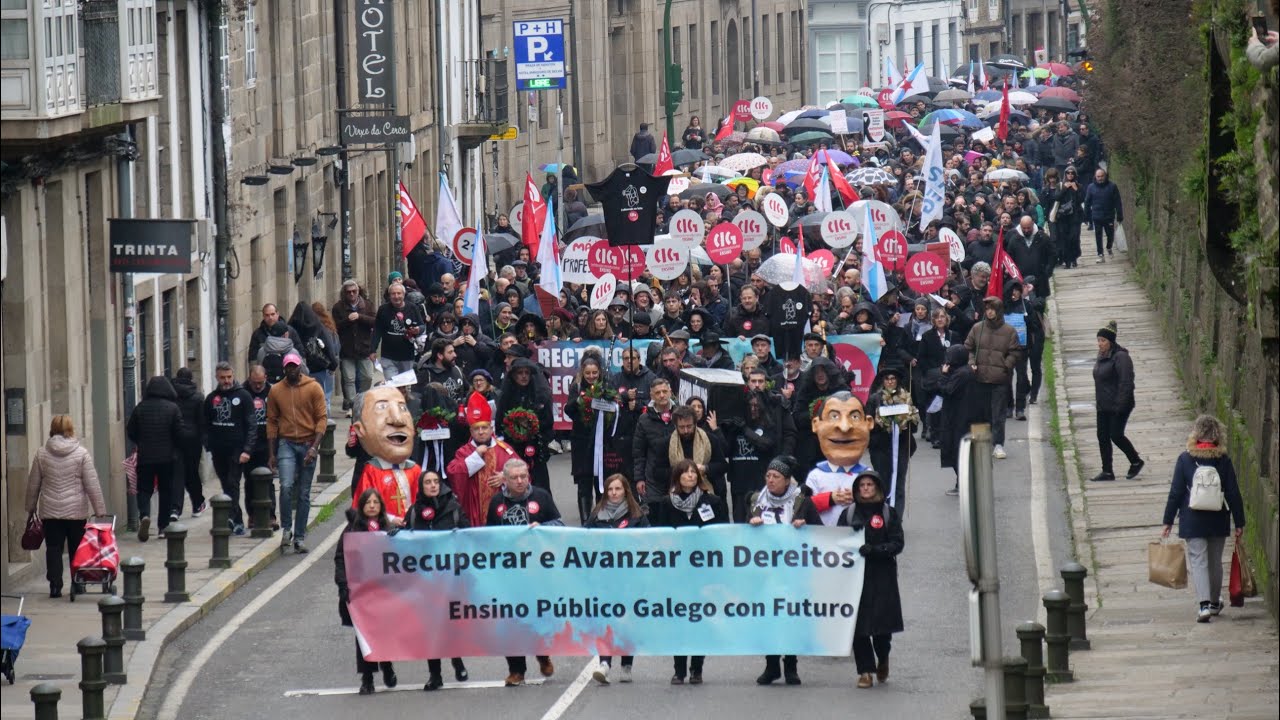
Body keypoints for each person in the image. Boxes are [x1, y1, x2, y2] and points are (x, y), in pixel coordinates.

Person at [1161, 415, 1247, 622]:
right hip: (1218, 518)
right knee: (1215, 563)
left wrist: (1168, 520)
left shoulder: (1185, 459)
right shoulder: (1223, 460)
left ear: (1196, 434)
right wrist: (1239, 521)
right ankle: (1215, 602)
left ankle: (1203, 605)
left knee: (1198, 561)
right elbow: (1233, 493)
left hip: (1192, 519)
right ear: (1218, 434)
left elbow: (1176, 492)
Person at [650, 459, 728, 684]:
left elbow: (723, 532)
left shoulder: (712, 502)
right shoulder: (666, 504)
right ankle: (679, 669)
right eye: (686, 473)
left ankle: (697, 668)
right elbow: (660, 536)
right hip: (677, 572)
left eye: (694, 472)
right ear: (678, 477)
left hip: (703, 572)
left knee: (699, 620)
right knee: (679, 621)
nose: (691, 476)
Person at [486, 459, 562, 686]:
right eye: (514, 478)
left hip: (537, 572)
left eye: (523, 476)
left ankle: (542, 654)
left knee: (537, 617)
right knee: (511, 620)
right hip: (509, 573)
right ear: (505, 480)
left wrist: (543, 529)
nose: (519, 481)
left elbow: (560, 524)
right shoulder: (497, 502)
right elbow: (489, 536)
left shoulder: (541, 496)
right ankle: (516, 669)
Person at [747, 455, 821, 686]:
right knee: (768, 618)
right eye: (768, 476)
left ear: (788, 481)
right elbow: (742, 535)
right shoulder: (755, 501)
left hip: (792, 571)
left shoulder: (802, 502)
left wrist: (804, 527)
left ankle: (791, 666)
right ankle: (771, 666)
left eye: (776, 477)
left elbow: (820, 533)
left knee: (790, 618)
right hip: (765, 571)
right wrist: (752, 522)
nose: (770, 480)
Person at [24, 415, 107, 598]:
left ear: (52, 429)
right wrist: (100, 509)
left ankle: (55, 586)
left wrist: (30, 507)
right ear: (71, 429)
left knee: (53, 548)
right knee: (77, 548)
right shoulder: (81, 453)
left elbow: (33, 484)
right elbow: (91, 483)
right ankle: (78, 583)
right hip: (76, 511)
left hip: (51, 512)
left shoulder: (41, 454)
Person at [403, 470, 470, 688]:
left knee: (449, 625)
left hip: (450, 578)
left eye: (435, 482)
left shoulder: (453, 508)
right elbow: (405, 543)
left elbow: (468, 535)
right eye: (428, 482)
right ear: (421, 487)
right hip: (425, 581)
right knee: (430, 629)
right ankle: (435, 675)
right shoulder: (414, 512)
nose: (432, 486)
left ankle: (457, 660)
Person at [839, 470, 905, 689]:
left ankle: (883, 657)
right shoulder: (848, 514)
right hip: (855, 577)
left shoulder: (888, 513)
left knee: (881, 627)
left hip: (882, 576)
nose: (865, 489)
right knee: (858, 626)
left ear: (877, 488)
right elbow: (835, 543)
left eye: (869, 485)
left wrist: (876, 550)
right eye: (862, 485)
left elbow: (898, 543)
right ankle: (865, 671)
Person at [334, 488, 397, 695]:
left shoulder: (388, 529)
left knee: (385, 631)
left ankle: (387, 666)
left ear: (381, 507)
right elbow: (341, 558)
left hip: (383, 590)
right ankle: (367, 677)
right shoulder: (351, 530)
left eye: (376, 503)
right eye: (368, 502)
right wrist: (343, 585)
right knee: (363, 635)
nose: (372, 506)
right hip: (360, 591)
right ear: (362, 506)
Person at [588, 474, 649, 685]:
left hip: (630, 579)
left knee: (627, 622)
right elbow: (581, 541)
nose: (614, 493)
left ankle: (626, 664)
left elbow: (649, 541)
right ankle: (604, 663)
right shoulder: (596, 515)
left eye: (618, 489)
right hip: (604, 578)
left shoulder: (637, 515)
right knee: (606, 621)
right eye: (610, 489)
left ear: (625, 491)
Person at [267, 352, 328, 553]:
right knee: (285, 486)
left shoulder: (313, 388)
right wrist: (272, 453)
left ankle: (300, 536)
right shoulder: (276, 391)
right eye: (288, 367)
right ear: (284, 369)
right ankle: (286, 529)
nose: (292, 370)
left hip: (308, 442)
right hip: (287, 444)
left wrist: (314, 447)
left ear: (300, 367)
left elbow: (322, 418)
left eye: (294, 366)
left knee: (303, 493)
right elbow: (272, 421)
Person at [350, 385, 421, 523]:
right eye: (382, 407)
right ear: (360, 429)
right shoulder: (372, 471)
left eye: (402, 408)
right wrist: (391, 520)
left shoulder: (415, 470)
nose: (398, 420)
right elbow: (364, 511)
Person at [963, 296, 1023, 460]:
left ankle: (998, 444)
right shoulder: (977, 328)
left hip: (999, 379)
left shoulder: (1009, 331)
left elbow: (1015, 352)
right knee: (980, 413)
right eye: (987, 309)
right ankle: (981, 443)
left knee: (998, 414)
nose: (989, 312)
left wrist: (1006, 365)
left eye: (992, 309)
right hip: (979, 377)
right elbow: (968, 348)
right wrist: (971, 362)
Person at [448, 392, 519, 527]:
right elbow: (454, 473)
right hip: (474, 513)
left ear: (491, 428)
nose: (481, 432)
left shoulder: (504, 449)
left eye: (484, 427)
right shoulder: (465, 451)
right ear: (471, 431)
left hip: (503, 511)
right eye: (476, 428)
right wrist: (476, 456)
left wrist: (506, 477)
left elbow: (522, 471)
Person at [804, 391, 875, 526]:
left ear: (869, 423)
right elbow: (804, 507)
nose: (844, 427)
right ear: (816, 424)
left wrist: (860, 498)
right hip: (822, 538)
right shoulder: (816, 475)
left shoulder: (867, 475)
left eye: (854, 416)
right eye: (834, 416)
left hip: (855, 538)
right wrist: (830, 498)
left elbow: (876, 507)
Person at [127, 376, 185, 542]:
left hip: (145, 456)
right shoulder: (173, 408)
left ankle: (144, 515)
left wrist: (141, 441)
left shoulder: (140, 408)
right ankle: (163, 526)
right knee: (166, 491)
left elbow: (131, 431)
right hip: (167, 458)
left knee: (144, 489)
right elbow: (179, 433)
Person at [204, 362, 257, 535]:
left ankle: (234, 519)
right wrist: (209, 445)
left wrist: (247, 450)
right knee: (226, 485)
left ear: (233, 376)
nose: (226, 381)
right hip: (219, 450)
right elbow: (205, 424)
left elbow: (251, 425)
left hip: (237, 449)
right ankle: (233, 517)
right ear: (216, 377)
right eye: (222, 378)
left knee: (233, 483)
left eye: (229, 377)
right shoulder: (211, 399)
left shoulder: (243, 396)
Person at [1089, 321, 1144, 482]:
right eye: (1098, 340)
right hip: (1103, 404)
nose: (1100, 344)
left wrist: (1120, 405)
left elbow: (1126, 382)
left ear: (1111, 341)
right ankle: (1107, 471)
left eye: (1103, 341)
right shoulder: (1102, 356)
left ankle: (1135, 460)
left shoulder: (1121, 357)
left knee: (1116, 435)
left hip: (1119, 405)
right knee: (1102, 436)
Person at [496, 357, 555, 493]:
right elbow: (500, 422)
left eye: (526, 373)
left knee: (541, 485)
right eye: (520, 373)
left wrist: (534, 430)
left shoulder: (539, 395)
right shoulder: (506, 396)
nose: (523, 376)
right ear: (513, 375)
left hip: (536, 446)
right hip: (514, 447)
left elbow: (548, 422)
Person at [865, 368, 919, 514]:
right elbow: (867, 425)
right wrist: (881, 422)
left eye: (893, 379)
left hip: (901, 447)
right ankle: (882, 515)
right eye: (887, 379)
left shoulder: (906, 398)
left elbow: (914, 427)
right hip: (880, 449)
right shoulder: (874, 399)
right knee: (883, 482)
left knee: (899, 483)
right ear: (882, 381)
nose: (890, 382)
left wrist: (907, 420)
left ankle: (896, 518)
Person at [939, 344, 982, 495]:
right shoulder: (966, 371)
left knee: (957, 451)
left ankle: (963, 484)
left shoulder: (961, 374)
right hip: (965, 416)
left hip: (959, 418)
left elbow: (947, 390)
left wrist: (943, 376)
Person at [334, 280, 378, 413]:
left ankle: (362, 400)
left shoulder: (368, 305)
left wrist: (360, 317)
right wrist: (348, 319)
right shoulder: (338, 307)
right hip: (347, 350)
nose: (352, 294)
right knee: (349, 379)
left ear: (358, 291)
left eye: (354, 291)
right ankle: (353, 405)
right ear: (344, 293)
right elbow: (336, 326)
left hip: (364, 348)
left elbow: (375, 322)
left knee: (367, 376)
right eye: (349, 292)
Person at [170, 367, 207, 519]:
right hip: (193, 440)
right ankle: (198, 503)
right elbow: (202, 421)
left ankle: (175, 509)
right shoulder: (198, 397)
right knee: (192, 473)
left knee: (177, 474)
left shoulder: (171, 395)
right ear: (191, 379)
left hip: (176, 439)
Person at [291, 301, 341, 413]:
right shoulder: (317, 327)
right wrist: (333, 365)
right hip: (319, 368)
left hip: (300, 370)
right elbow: (329, 347)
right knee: (323, 398)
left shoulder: (292, 329)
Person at [372, 282, 427, 377]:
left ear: (404, 294)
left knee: (404, 387)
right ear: (389, 296)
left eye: (399, 293)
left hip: (407, 356)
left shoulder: (412, 308)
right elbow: (377, 331)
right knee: (392, 386)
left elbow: (422, 326)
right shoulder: (383, 309)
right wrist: (373, 350)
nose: (396, 296)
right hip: (388, 356)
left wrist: (418, 330)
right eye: (393, 294)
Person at [1083, 167, 1123, 263]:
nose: (1100, 178)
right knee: (1098, 235)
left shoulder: (1112, 186)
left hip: (1109, 215)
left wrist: (1120, 215)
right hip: (1096, 216)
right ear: (1095, 177)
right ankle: (1100, 254)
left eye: (1101, 176)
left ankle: (1109, 247)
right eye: (1098, 176)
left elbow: (1117, 202)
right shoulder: (1091, 187)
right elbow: (1087, 202)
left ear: (1105, 176)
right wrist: (1086, 216)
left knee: (1110, 234)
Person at [247, 303, 303, 371]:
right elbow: (253, 359)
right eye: (267, 315)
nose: (270, 317)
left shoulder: (290, 331)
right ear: (263, 316)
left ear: (277, 314)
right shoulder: (257, 334)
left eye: (272, 314)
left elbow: (300, 352)